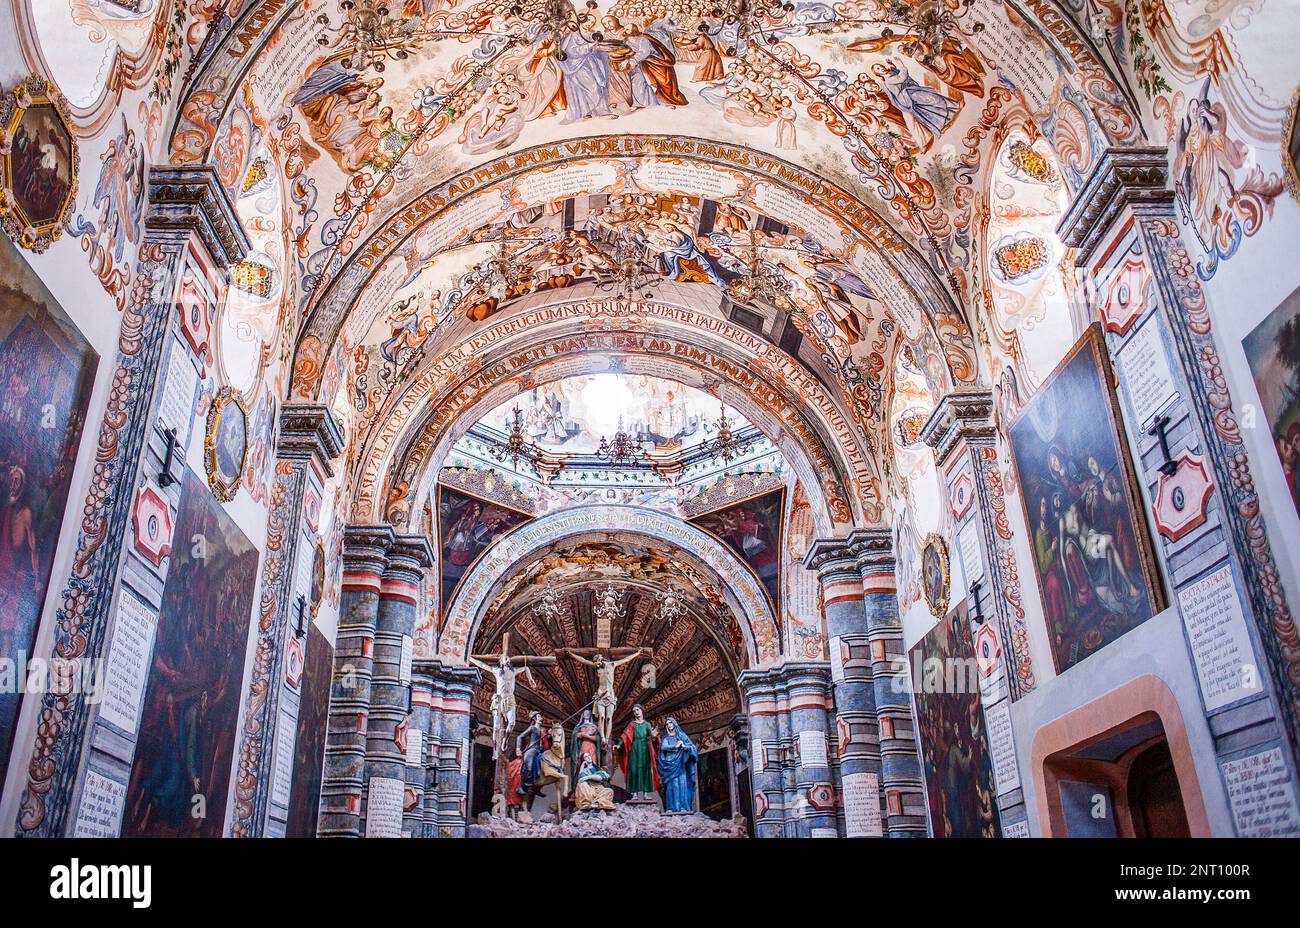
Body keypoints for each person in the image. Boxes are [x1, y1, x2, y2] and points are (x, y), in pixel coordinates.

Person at [615, 704, 659, 800]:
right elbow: (625, 736)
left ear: (642, 710)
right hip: (635, 748)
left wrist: (654, 736)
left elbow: (651, 737)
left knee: (645, 769)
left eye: (637, 710)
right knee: (634, 769)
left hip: (644, 749)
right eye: (634, 711)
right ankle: (634, 793)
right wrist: (619, 744)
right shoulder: (632, 724)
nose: (636, 712)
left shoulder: (647, 724)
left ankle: (645, 793)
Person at [656, 717, 698, 814]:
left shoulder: (681, 736)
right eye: (667, 724)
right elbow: (663, 747)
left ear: (674, 724)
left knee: (682, 783)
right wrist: (675, 746)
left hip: (680, 763)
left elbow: (692, 747)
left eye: (671, 723)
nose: (669, 725)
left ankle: (683, 806)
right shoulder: (665, 738)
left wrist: (684, 746)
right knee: (672, 784)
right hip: (670, 763)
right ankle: (671, 807)